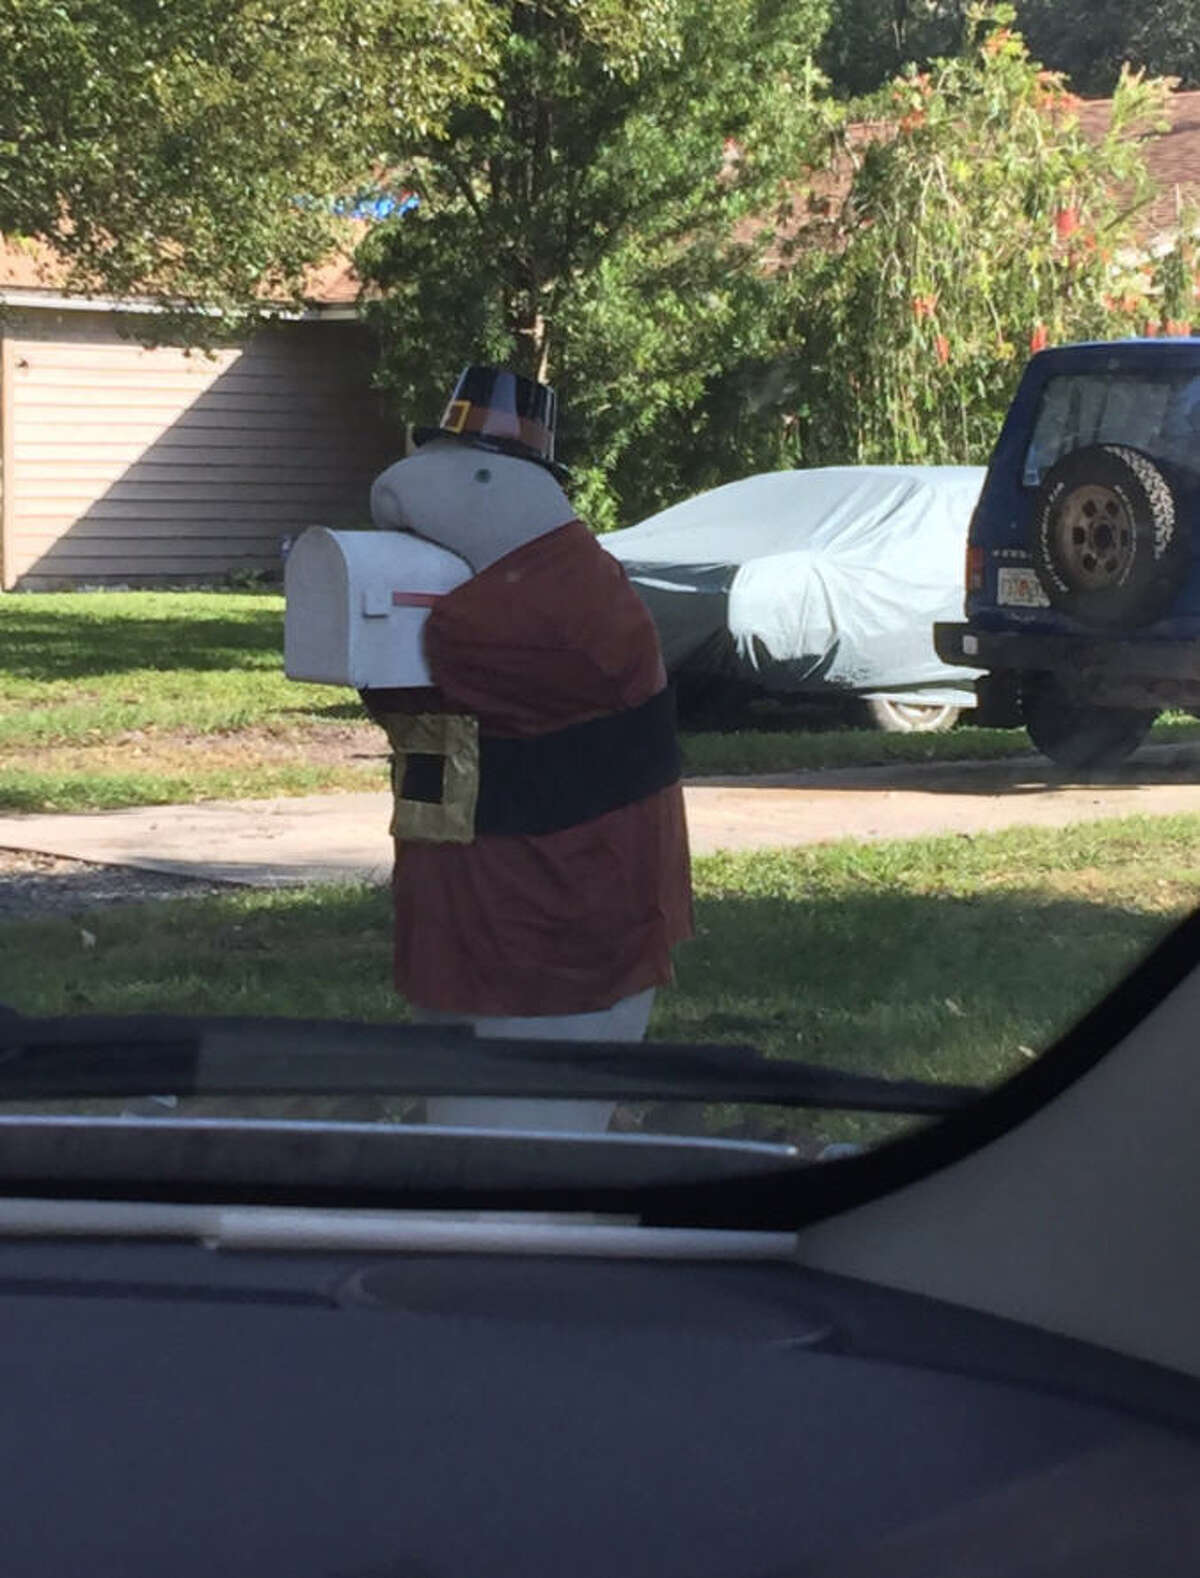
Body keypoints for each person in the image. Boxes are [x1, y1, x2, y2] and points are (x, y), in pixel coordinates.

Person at [362, 365, 693, 1130]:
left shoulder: (571, 602)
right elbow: (417, 707)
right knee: (465, 1090)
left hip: (565, 893)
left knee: (531, 1115)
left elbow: (476, 664)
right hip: (459, 875)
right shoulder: (483, 582)